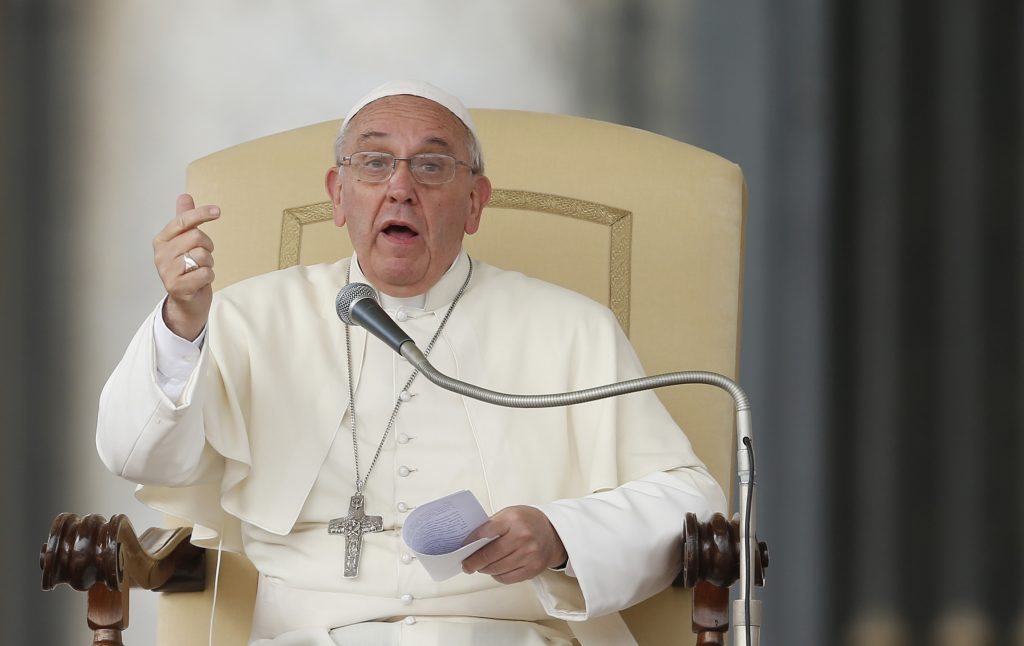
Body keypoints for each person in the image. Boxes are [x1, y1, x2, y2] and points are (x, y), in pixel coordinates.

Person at [96, 81, 726, 646]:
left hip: (508, 636)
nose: (400, 186)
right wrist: (181, 322)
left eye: (430, 166)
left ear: (475, 202)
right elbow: (137, 455)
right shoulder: (243, 317)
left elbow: (689, 500)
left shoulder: (570, 327)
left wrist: (563, 535)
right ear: (338, 196)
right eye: (374, 163)